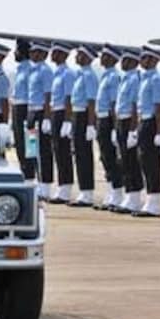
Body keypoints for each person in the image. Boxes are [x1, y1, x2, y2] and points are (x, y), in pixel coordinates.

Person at [134, 46, 160, 218]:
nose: (142, 61)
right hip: (144, 121)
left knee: (152, 161)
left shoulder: (157, 79)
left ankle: (154, 201)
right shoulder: (144, 79)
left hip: (151, 123)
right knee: (144, 160)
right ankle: (149, 198)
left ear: (154, 60)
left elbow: (159, 107)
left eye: (146, 58)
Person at [112, 49, 144, 214]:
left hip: (128, 122)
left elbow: (133, 106)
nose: (122, 63)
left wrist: (133, 129)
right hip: (120, 121)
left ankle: (135, 197)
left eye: (125, 60)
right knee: (123, 160)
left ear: (133, 63)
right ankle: (129, 194)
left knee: (131, 161)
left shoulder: (134, 80)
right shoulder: (124, 79)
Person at [69, 45, 100, 207]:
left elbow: (91, 102)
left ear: (88, 58)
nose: (76, 57)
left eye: (80, 54)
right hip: (76, 114)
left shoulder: (89, 76)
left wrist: (90, 124)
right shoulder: (79, 75)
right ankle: (83, 190)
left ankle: (87, 193)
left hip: (83, 116)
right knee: (78, 154)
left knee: (84, 154)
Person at [94, 45, 123, 210]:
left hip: (108, 120)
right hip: (101, 119)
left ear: (112, 59)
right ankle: (111, 191)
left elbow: (114, 104)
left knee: (112, 158)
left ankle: (117, 193)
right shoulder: (105, 76)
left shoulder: (113, 77)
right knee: (105, 157)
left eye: (105, 56)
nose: (102, 58)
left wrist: (114, 127)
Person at [25, 42, 55, 202]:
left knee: (43, 151)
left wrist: (47, 118)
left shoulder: (45, 71)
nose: (32, 54)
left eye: (35, 52)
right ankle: (37, 182)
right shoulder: (33, 70)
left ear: (43, 54)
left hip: (40, 112)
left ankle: (45, 186)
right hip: (31, 111)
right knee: (31, 149)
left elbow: (48, 95)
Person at [47, 42, 76, 205]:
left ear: (64, 55)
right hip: (55, 113)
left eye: (56, 52)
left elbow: (68, 99)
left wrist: (66, 120)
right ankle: (61, 186)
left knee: (64, 152)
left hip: (61, 113)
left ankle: (65, 189)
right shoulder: (57, 73)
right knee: (57, 151)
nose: (53, 55)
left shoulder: (67, 74)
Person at [11, 40, 36, 185]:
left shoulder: (29, 70)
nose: (14, 53)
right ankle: (24, 173)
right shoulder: (20, 69)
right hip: (17, 107)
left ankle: (30, 176)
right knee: (20, 144)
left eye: (16, 50)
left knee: (29, 145)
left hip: (26, 108)